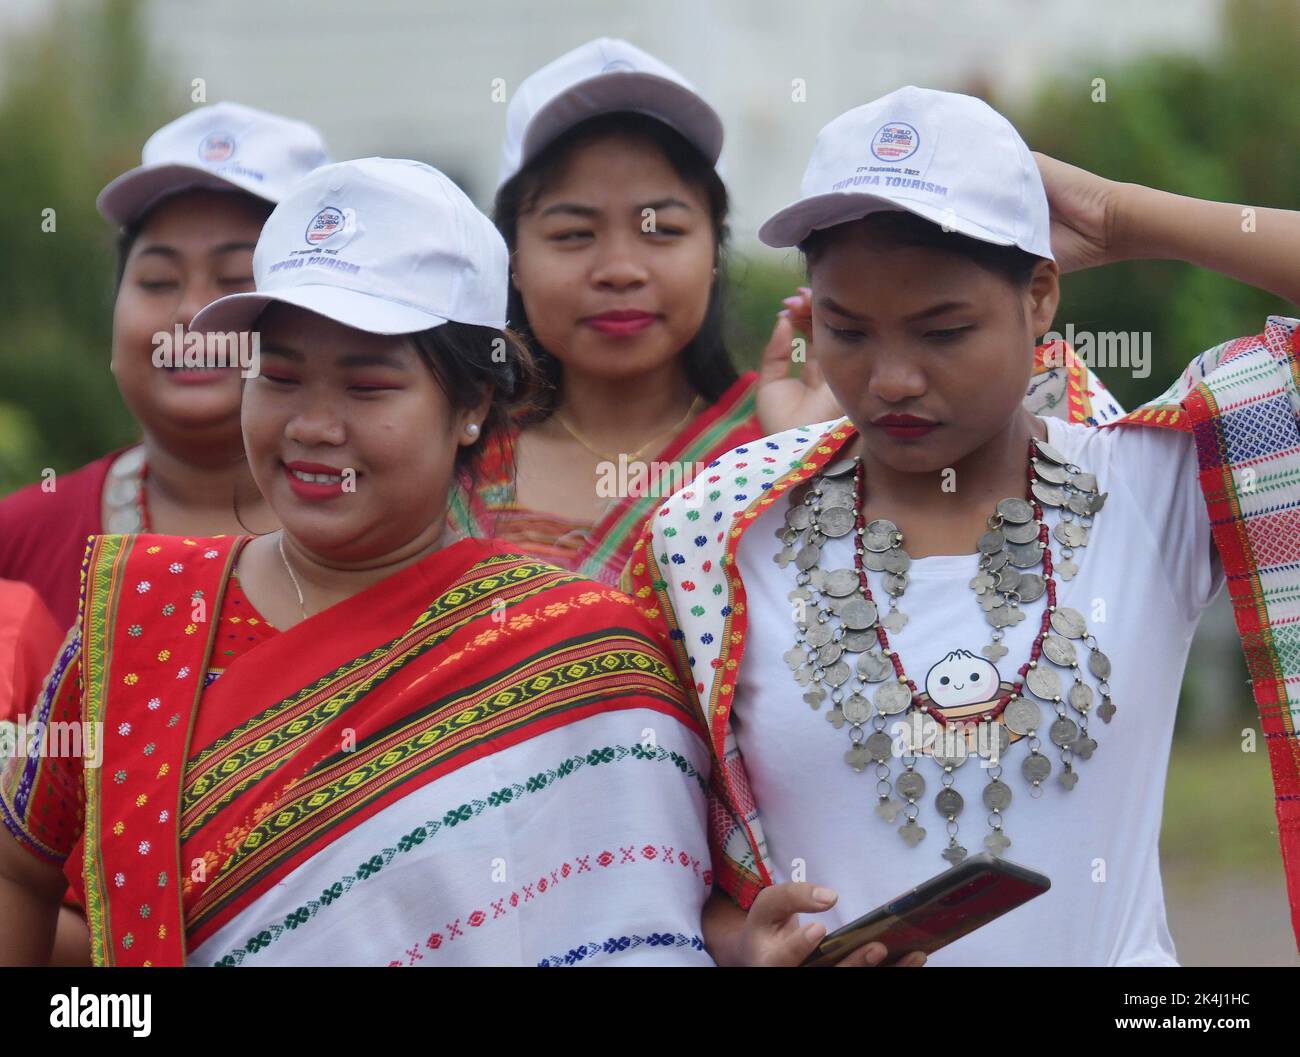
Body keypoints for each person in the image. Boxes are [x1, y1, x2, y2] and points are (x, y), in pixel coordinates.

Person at [624, 86, 1300, 966]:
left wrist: (1119, 214)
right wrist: (745, 947)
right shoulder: (716, 536)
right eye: (847, 329)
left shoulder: (1151, 482)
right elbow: (659, 874)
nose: (893, 378)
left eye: (943, 331)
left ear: (1039, 300)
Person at [0, 158, 715, 967]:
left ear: (473, 405)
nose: (311, 425)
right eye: (279, 377)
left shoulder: (581, 654)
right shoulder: (141, 612)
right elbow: (20, 865)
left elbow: (638, 933)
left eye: (368, 386)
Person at [449, 38, 842, 584]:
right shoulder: (447, 453)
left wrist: (800, 459)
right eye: (573, 233)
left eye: (663, 230)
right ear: (513, 258)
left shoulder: (779, 441)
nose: (619, 269)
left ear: (714, 251)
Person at [0, 102, 330, 633]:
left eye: (235, 278)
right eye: (157, 281)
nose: (191, 312)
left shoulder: (402, 548)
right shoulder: (17, 543)